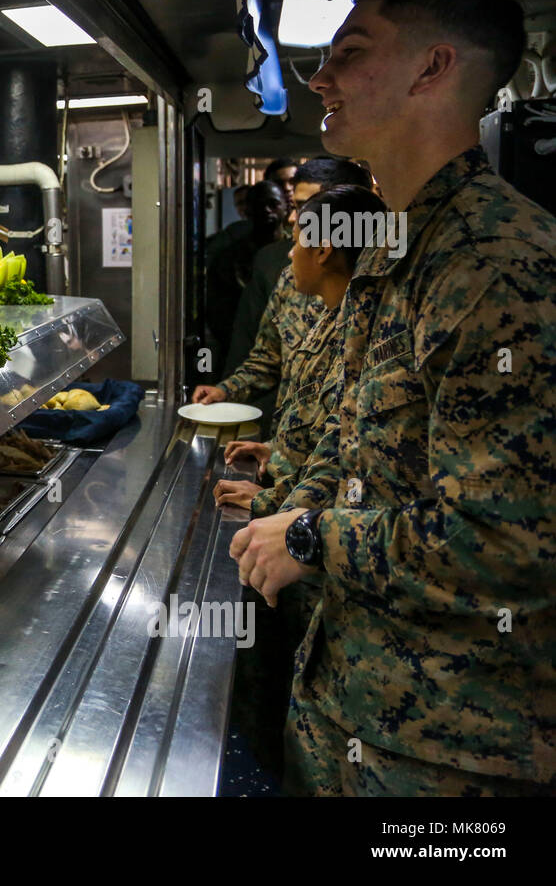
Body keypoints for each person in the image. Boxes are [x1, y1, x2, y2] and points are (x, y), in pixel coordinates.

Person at [230, 0, 556, 796]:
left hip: (450, 755)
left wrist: (309, 535)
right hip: (353, 710)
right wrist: (287, 501)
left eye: (350, 50)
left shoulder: (500, 264)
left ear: (432, 67)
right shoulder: (399, 249)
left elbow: (510, 543)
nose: (318, 77)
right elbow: (365, 450)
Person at [213, 184, 388, 784]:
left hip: (317, 560)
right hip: (293, 517)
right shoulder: (333, 316)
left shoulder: (368, 330)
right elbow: (315, 421)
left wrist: (270, 502)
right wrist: (275, 457)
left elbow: (350, 456)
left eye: (298, 241)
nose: (287, 256)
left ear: (330, 251)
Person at [200, 158, 373, 429]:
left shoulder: (380, 299)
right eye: (295, 207)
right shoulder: (291, 276)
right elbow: (267, 358)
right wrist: (226, 390)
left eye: (307, 207)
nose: (292, 218)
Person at [202, 179, 289, 378]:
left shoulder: (297, 252)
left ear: (286, 206)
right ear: (247, 211)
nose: (267, 210)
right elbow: (218, 312)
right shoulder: (230, 256)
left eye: (273, 204)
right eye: (259, 206)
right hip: (243, 350)